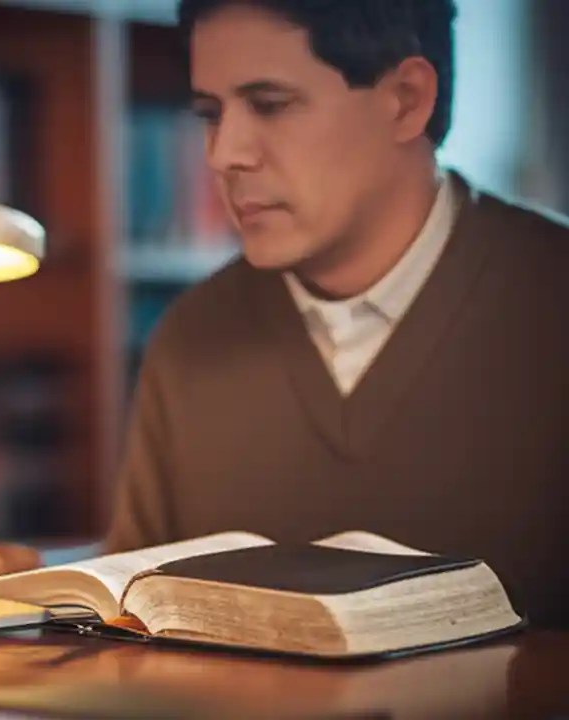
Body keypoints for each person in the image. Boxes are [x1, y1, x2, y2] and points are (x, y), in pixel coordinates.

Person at [106, 0, 569, 628]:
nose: (223, 155)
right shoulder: (191, 339)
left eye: (269, 104)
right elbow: (128, 635)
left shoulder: (549, 300)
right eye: (210, 114)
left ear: (406, 99)